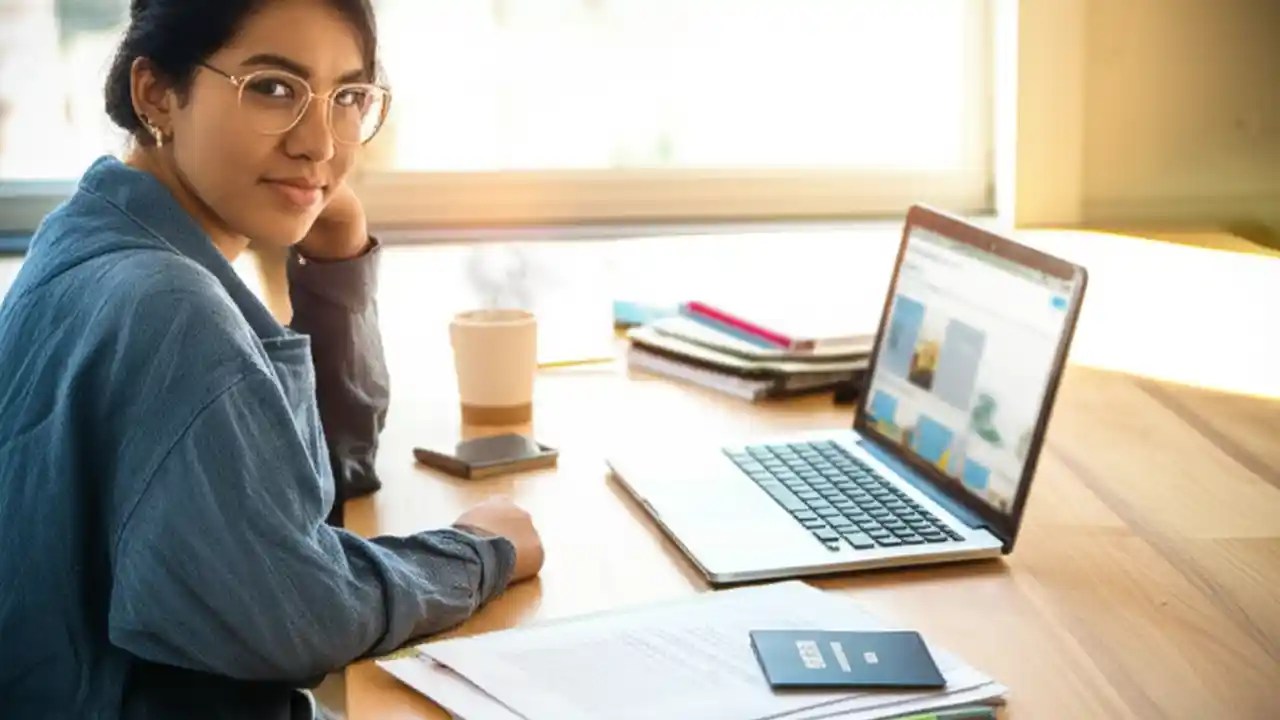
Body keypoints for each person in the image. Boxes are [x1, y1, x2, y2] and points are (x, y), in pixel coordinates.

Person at [0, 1, 545, 718]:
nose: (319, 143)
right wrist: (479, 551)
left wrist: (336, 252)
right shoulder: (170, 305)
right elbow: (299, 619)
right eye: (273, 88)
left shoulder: (92, 232)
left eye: (347, 98)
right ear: (157, 93)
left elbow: (324, 478)